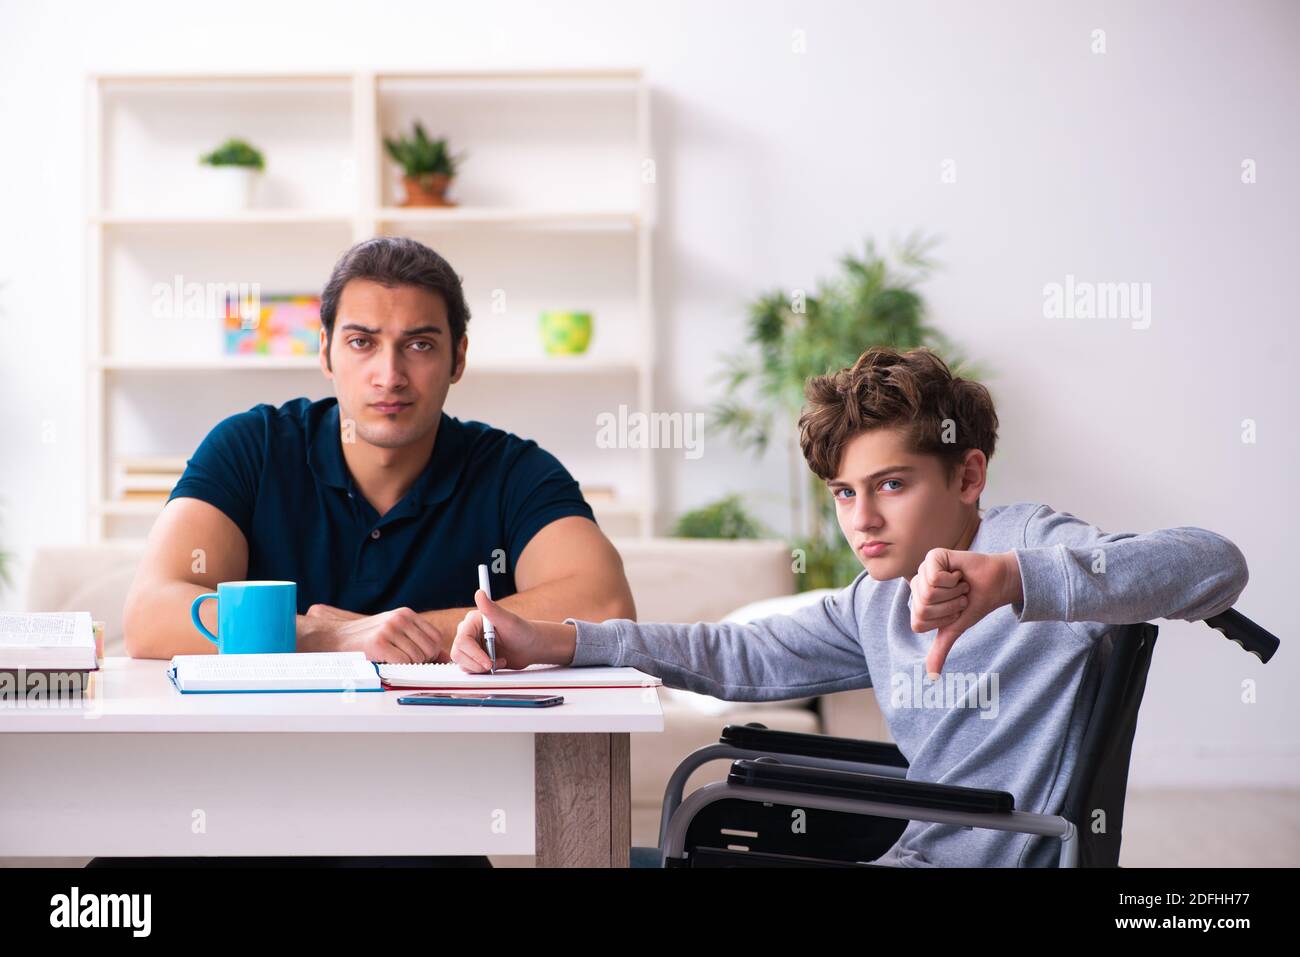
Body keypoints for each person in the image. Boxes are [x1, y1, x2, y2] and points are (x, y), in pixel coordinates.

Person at [449, 345, 1250, 867]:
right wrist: (558, 640)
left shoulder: (1027, 539)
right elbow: (737, 654)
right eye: (844, 492)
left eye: (892, 485)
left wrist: (1011, 579)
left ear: (967, 478)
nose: (862, 518)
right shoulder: (878, 597)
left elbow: (1214, 563)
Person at [102, 236, 635, 869]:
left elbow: (603, 603)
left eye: (420, 344)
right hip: (231, 798)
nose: (390, 374)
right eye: (362, 342)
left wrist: (394, 636)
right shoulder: (253, 446)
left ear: (458, 357)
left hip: (424, 815)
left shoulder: (510, 469)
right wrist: (321, 639)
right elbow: (152, 613)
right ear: (324, 351)